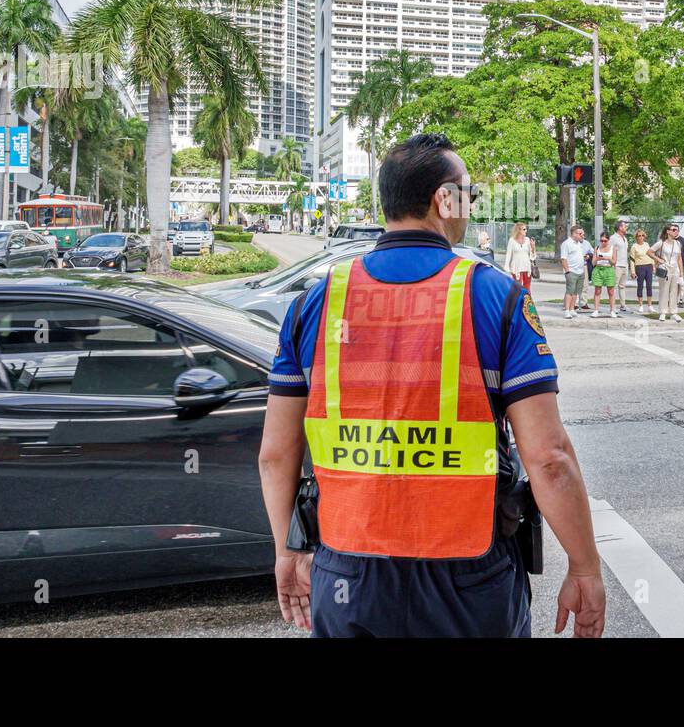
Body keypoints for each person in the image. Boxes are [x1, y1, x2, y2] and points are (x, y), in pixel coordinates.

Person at [259, 134, 606, 638]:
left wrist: (287, 550)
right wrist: (585, 567)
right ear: (444, 200)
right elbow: (549, 459)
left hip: (349, 573)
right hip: (469, 578)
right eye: (469, 194)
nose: (470, 206)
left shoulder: (315, 304)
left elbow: (275, 455)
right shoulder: (494, 296)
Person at [559, 225, 592, 320]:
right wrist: (567, 271)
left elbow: (576, 256)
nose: (582, 235)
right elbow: (563, 258)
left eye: (583, 234)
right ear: (574, 234)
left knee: (576, 292)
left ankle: (572, 309)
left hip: (580, 271)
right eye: (580, 233)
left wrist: (584, 258)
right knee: (570, 291)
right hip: (571, 271)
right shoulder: (566, 244)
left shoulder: (579, 243)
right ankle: (567, 311)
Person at [655, 225, 684, 323]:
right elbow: (649, 252)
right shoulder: (661, 243)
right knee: (664, 291)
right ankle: (663, 312)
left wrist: (681, 272)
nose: (676, 232)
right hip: (665, 269)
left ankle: (674, 312)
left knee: (674, 291)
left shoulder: (678, 243)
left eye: (677, 230)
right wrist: (659, 259)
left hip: (675, 269)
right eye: (674, 230)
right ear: (668, 231)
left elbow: (679, 258)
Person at [588, 232, 619, 318]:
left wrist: (608, 258)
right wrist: (598, 258)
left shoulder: (613, 248)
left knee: (611, 291)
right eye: (601, 240)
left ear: (608, 240)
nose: (603, 242)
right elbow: (593, 263)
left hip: (609, 270)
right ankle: (596, 310)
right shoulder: (597, 248)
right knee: (597, 291)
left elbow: (614, 262)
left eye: (605, 241)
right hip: (598, 269)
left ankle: (612, 310)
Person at [629, 229, 656, 314]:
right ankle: (640, 305)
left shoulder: (647, 244)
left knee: (649, 286)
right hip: (639, 268)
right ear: (636, 237)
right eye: (639, 236)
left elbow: (651, 255)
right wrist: (632, 272)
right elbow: (632, 260)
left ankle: (650, 305)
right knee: (640, 286)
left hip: (649, 267)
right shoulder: (634, 246)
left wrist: (653, 265)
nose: (641, 237)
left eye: (642, 235)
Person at [504, 222, 535, 292]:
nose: (526, 231)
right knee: (517, 288)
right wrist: (506, 268)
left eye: (526, 229)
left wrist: (533, 247)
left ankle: (527, 302)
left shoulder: (527, 240)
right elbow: (508, 255)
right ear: (519, 230)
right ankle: (518, 302)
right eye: (524, 229)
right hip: (516, 268)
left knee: (527, 287)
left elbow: (532, 257)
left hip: (526, 267)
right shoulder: (512, 240)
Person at [610, 220, 631, 313]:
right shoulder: (613, 238)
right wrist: (612, 264)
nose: (626, 228)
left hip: (625, 265)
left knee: (622, 286)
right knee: (613, 286)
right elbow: (609, 251)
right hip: (617, 265)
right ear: (620, 227)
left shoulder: (624, 238)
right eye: (625, 226)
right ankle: (613, 307)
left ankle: (623, 306)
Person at [671, 224, 684, 306]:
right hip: (671, 265)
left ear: (678, 231)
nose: (674, 231)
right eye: (672, 230)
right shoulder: (669, 240)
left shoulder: (682, 240)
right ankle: (673, 300)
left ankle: (680, 300)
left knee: (681, 283)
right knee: (673, 283)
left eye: (675, 230)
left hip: (680, 266)